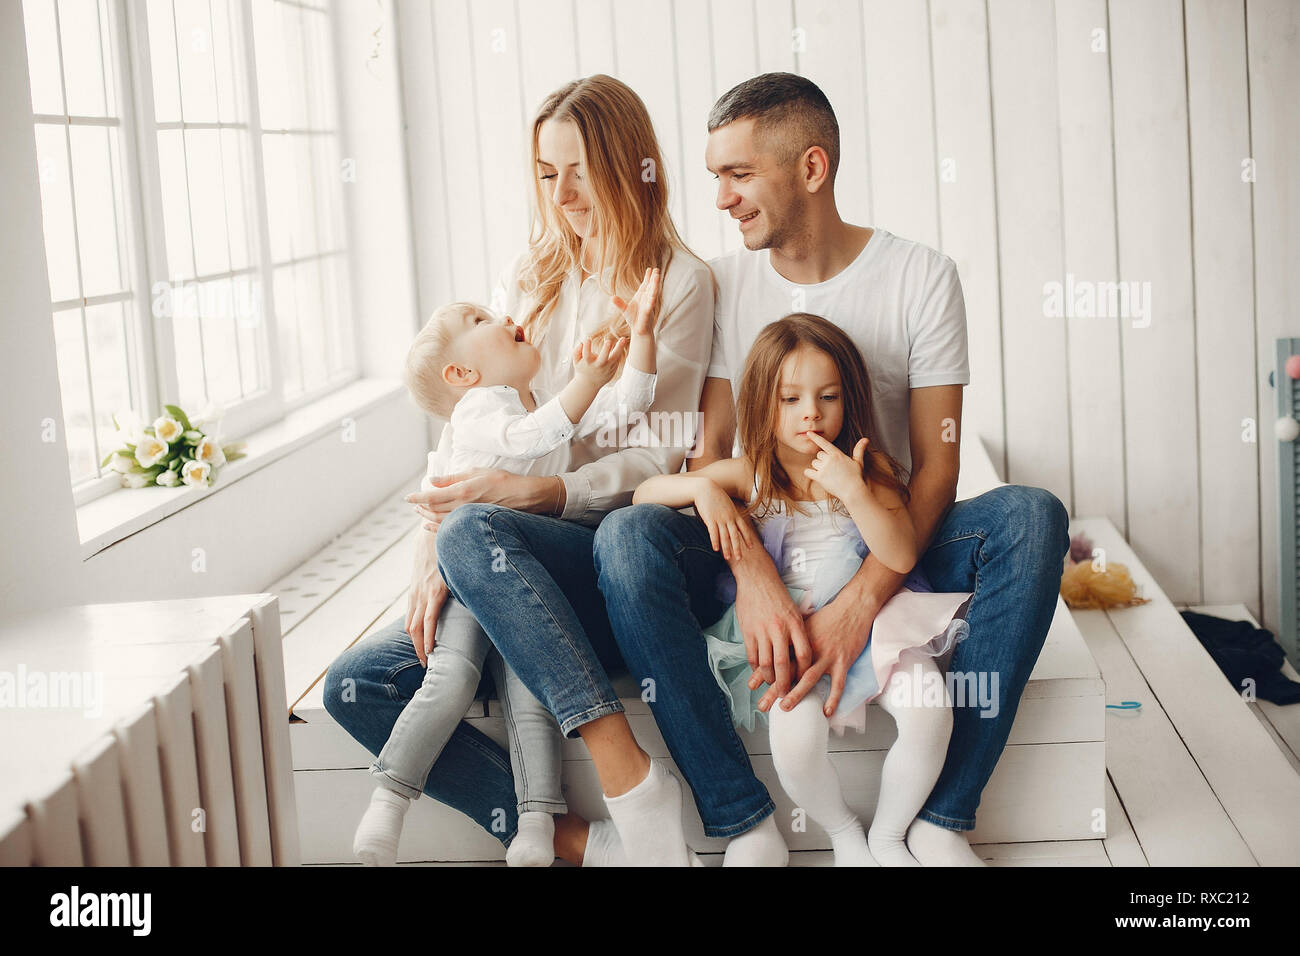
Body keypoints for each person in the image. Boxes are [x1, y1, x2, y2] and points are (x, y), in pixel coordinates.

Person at [593, 72, 1070, 866]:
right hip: (771, 538)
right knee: (627, 535)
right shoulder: (725, 282)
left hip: (887, 534)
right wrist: (754, 575)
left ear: (811, 169)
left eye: (739, 174)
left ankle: (939, 820)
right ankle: (743, 820)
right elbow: (709, 461)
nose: (721, 198)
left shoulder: (922, 278)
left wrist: (859, 604)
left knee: (1031, 516)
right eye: (715, 177)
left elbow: (937, 474)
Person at [324, 75, 715, 866]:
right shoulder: (530, 276)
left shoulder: (677, 283)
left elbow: (658, 452)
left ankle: (624, 772)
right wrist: (430, 557)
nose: (563, 193)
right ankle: (564, 835)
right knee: (354, 686)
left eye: (581, 170)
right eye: (546, 172)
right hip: (494, 550)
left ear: (629, 165)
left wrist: (542, 494)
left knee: (477, 530)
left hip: (597, 554)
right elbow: (473, 441)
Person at [635, 313, 973, 866]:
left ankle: (891, 834)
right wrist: (701, 487)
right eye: (789, 398)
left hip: (875, 619)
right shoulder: (751, 475)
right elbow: (643, 495)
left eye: (828, 396)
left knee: (931, 712)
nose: (811, 412)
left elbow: (901, 552)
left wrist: (855, 491)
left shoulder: (872, 469)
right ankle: (843, 831)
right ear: (762, 405)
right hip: (788, 630)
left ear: (850, 399)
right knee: (794, 741)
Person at [352, 277, 660, 867]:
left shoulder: (535, 399)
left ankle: (537, 827)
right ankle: (389, 801)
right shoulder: (477, 412)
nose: (500, 316)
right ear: (462, 376)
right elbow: (532, 437)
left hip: (520, 577)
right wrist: (586, 381)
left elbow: (628, 409)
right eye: (479, 320)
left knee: (530, 690)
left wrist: (642, 337)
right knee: (452, 678)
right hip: (471, 579)